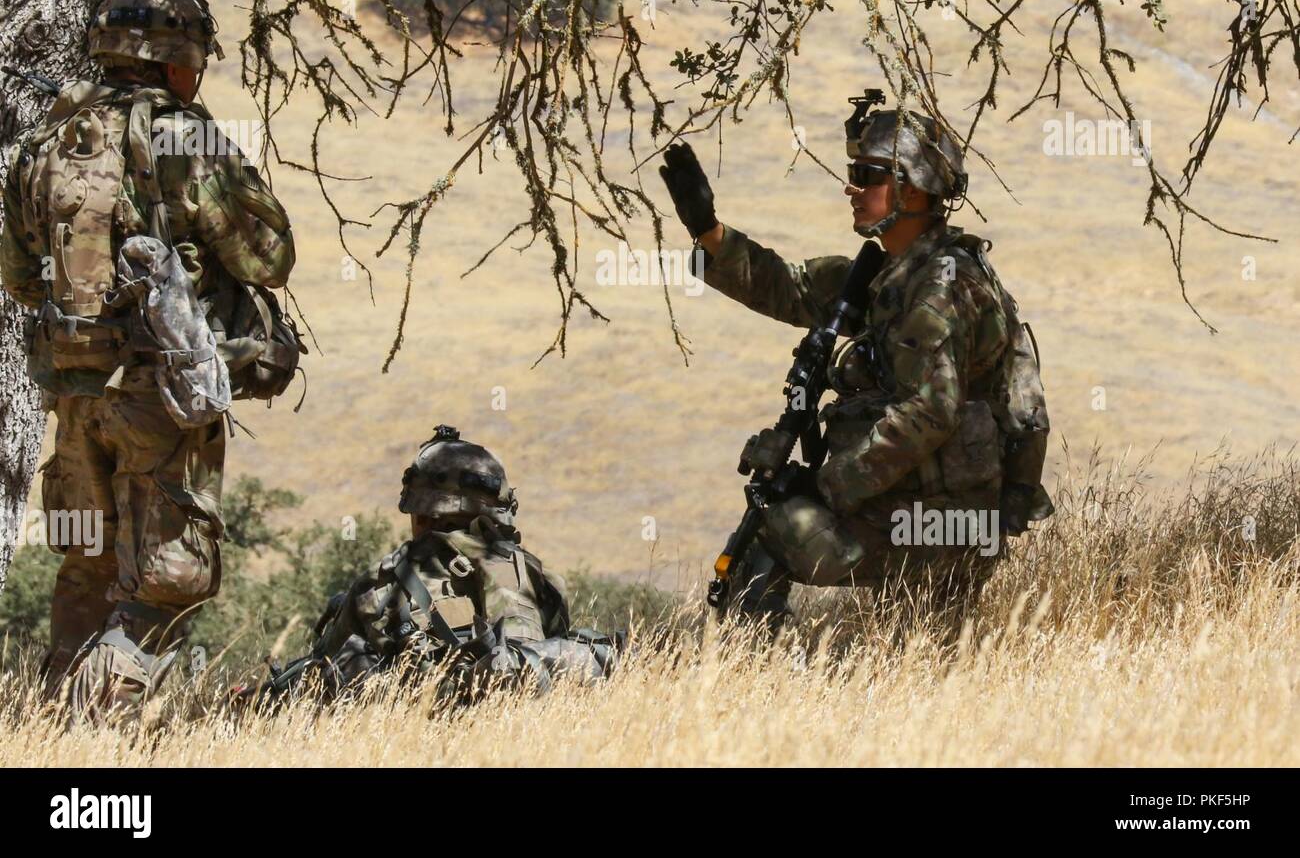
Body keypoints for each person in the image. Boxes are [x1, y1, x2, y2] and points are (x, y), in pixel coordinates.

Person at [0, 0, 296, 719]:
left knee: (88, 567)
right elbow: (267, 256)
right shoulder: (180, 136)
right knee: (171, 577)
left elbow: (15, 275)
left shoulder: (43, 144)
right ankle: (101, 728)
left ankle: (54, 727)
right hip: (159, 395)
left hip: (72, 395)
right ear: (175, 60)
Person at [658, 91, 1053, 628]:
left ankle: (754, 684)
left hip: (946, 519)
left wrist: (827, 487)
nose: (853, 187)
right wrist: (709, 233)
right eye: (853, 172)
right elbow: (792, 288)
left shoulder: (937, 287)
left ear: (913, 189)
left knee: (773, 532)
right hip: (928, 507)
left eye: (869, 175)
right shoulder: (891, 273)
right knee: (927, 658)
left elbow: (927, 415)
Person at [251, 426, 619, 707]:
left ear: (424, 512)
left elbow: (322, 669)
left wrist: (260, 698)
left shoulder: (383, 582)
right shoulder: (539, 577)